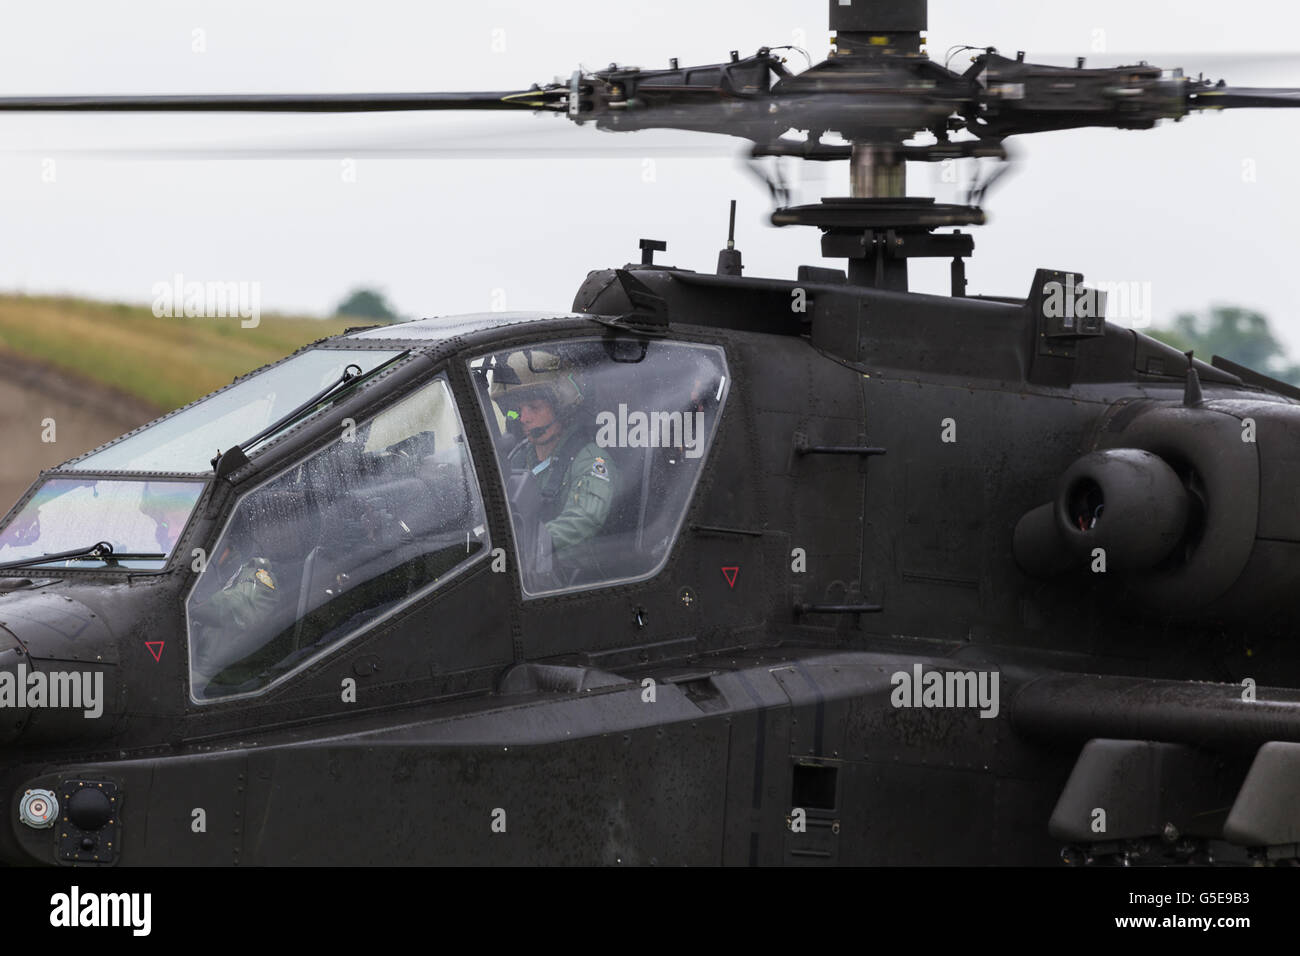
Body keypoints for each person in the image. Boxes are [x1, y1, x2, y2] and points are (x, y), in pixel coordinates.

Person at [490, 349, 617, 585]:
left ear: (560, 408)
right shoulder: (517, 457)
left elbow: (585, 517)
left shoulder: (591, 460)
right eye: (519, 410)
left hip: (571, 582)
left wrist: (535, 542)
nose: (524, 418)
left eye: (534, 407)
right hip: (524, 574)